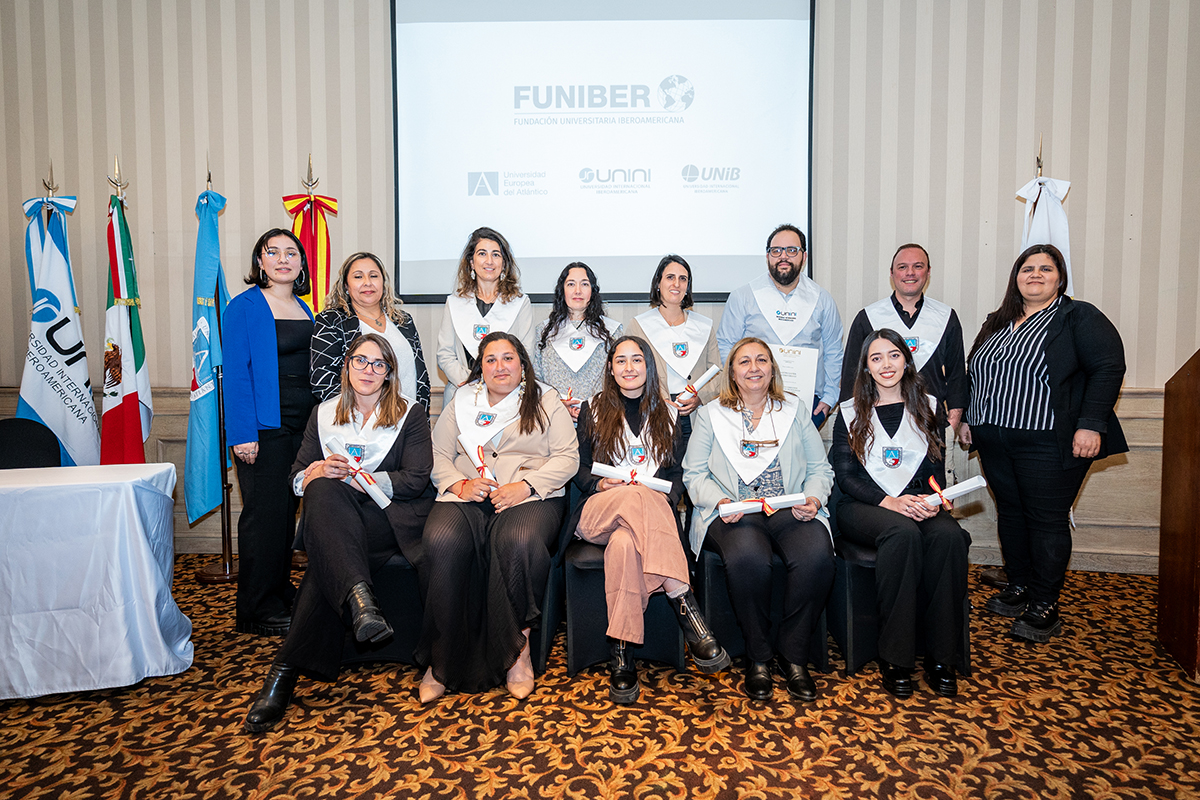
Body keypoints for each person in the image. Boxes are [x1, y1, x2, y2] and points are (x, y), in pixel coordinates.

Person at [243, 334, 435, 732]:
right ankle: (360, 601)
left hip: (389, 516)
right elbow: (297, 476)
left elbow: (416, 480)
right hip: (336, 516)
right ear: (346, 366)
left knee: (327, 552)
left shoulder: (410, 414)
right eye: (361, 361)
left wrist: (360, 478)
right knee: (322, 487)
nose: (369, 370)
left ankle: (284, 671)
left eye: (379, 364)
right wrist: (315, 472)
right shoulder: (323, 413)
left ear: (389, 374)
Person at [960, 244, 1126, 642]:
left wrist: (1090, 425)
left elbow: (1108, 366)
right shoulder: (998, 320)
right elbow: (974, 372)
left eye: (1045, 269)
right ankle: (1019, 587)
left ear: (1059, 277)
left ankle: (1045, 605)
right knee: (1012, 514)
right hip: (994, 438)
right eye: (1027, 268)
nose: (1035, 274)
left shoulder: (1076, 316)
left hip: (1049, 440)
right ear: (1016, 277)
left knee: (1045, 520)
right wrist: (968, 418)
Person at [417, 332, 578, 702]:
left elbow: (568, 457)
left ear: (522, 364)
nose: (500, 366)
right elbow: (438, 453)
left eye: (508, 358)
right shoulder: (463, 400)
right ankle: (439, 660)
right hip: (469, 494)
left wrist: (527, 486)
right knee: (441, 540)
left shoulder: (544, 399)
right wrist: (458, 485)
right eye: (491, 360)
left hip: (529, 496)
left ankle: (517, 652)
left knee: (516, 540)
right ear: (480, 367)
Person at [571, 336, 730, 703]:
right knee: (635, 493)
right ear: (610, 368)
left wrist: (663, 495)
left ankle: (622, 657)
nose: (629, 368)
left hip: (641, 523)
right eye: (621, 361)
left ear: (649, 367)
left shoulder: (670, 412)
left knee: (626, 545)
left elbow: (678, 475)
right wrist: (599, 482)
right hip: (599, 512)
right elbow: (577, 469)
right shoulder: (591, 409)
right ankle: (683, 602)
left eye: (637, 360)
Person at [683, 337, 835, 702]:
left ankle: (793, 653)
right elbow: (693, 474)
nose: (754, 368)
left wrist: (814, 497)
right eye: (744, 361)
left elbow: (819, 469)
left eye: (762, 360)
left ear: (772, 369)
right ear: (732, 373)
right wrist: (720, 500)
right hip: (734, 511)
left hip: (789, 507)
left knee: (816, 555)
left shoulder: (795, 411)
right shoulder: (710, 413)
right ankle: (759, 656)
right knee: (749, 557)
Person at [829, 328, 970, 698]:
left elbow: (934, 471)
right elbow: (844, 477)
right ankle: (897, 658)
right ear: (866, 367)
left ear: (906, 360)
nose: (886, 364)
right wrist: (889, 502)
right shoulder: (849, 412)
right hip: (862, 507)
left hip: (917, 500)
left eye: (893, 355)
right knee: (901, 534)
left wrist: (931, 500)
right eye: (876, 358)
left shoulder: (928, 405)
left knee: (949, 536)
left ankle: (942, 657)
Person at [223, 228, 317, 636]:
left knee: (285, 515)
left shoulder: (305, 308)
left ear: (301, 263)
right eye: (273, 252)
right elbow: (236, 375)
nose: (283, 259)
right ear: (259, 262)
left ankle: (278, 590)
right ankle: (256, 610)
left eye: (291, 252)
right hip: (264, 426)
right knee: (263, 517)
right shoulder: (243, 307)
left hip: (303, 424)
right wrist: (243, 433)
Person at [716, 225, 844, 427]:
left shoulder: (822, 300)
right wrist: (736, 390)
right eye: (776, 250)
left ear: (804, 257)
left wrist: (829, 398)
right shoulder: (743, 297)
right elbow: (726, 346)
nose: (783, 256)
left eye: (792, 250)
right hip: (752, 400)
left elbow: (834, 352)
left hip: (809, 406)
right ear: (767, 256)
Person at [839, 243, 967, 434]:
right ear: (892, 273)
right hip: (878, 423)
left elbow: (956, 374)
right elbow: (851, 377)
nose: (910, 273)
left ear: (928, 272)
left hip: (932, 422)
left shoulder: (946, 316)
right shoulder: (868, 317)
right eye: (902, 267)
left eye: (918, 266)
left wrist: (953, 423)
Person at [311, 251, 430, 411]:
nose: (367, 283)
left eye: (374, 276)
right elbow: (322, 378)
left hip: (408, 421)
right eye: (358, 277)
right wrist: (359, 417)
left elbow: (421, 377)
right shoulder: (331, 321)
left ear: (383, 282)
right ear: (346, 285)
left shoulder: (403, 321)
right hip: (359, 424)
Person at [624, 255, 720, 444]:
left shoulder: (704, 326)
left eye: (683, 279)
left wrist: (700, 397)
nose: (676, 284)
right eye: (670, 277)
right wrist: (657, 400)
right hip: (655, 413)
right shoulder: (639, 326)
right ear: (658, 283)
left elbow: (718, 373)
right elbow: (630, 373)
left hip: (695, 414)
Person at [436, 227, 534, 403]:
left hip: (506, 395)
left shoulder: (520, 303)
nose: (489, 261)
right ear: (472, 263)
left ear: (504, 263)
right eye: (482, 254)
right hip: (460, 393)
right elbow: (445, 354)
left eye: (496, 255)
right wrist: (471, 382)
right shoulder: (454, 303)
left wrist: (495, 383)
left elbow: (526, 354)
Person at [532, 262, 621, 422]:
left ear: (593, 291)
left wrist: (594, 407)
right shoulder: (543, 331)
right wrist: (556, 405)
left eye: (584, 284)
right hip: (554, 419)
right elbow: (536, 378)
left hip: (601, 420)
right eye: (571, 284)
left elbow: (619, 378)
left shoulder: (613, 331)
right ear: (562, 290)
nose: (577, 291)